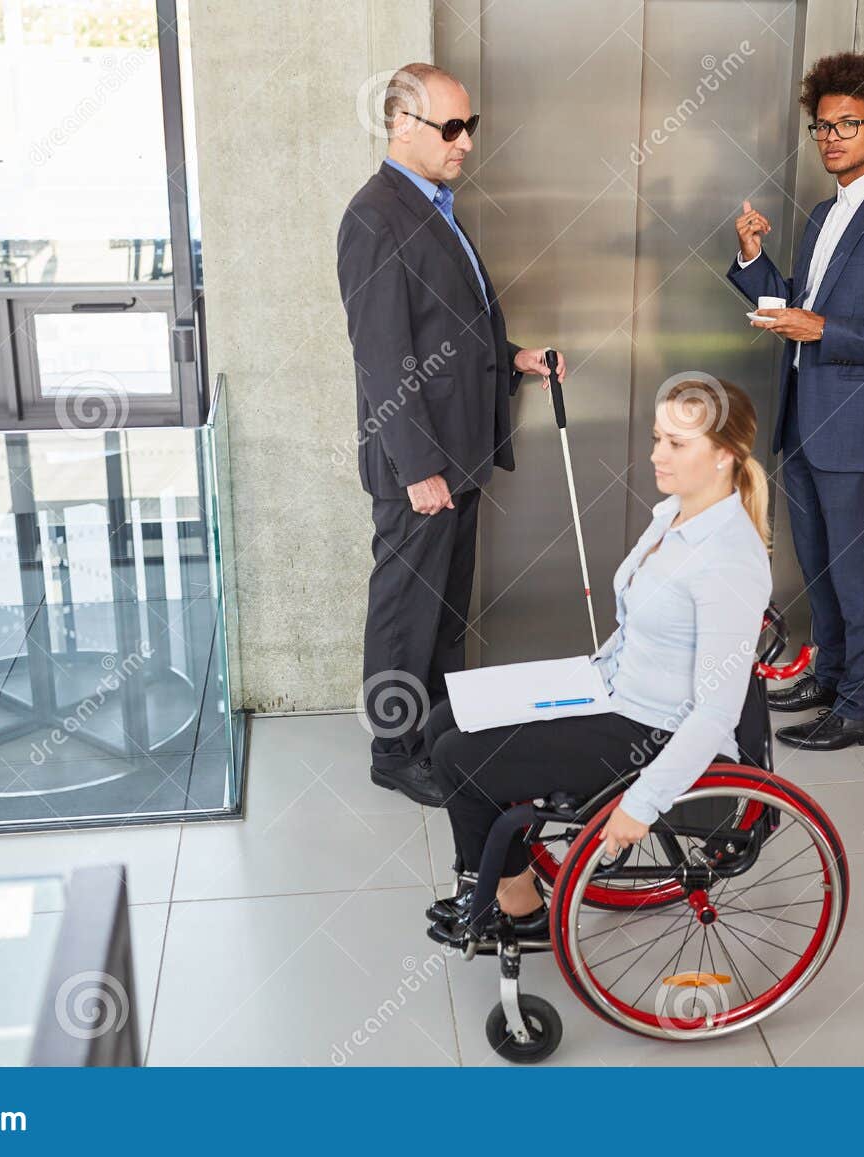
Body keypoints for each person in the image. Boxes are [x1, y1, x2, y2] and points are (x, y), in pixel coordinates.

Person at [421, 378, 773, 941]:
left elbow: (715, 713)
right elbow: (637, 623)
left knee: (459, 758)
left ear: (725, 454)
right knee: (445, 719)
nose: (657, 454)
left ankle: (517, 905)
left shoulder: (728, 559)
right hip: (608, 683)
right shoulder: (674, 516)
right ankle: (497, 871)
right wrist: (565, 684)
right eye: (658, 438)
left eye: (677, 444)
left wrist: (642, 803)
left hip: (650, 726)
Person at [337, 63, 564, 807]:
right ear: (402, 123)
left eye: (471, 126)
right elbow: (384, 354)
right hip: (422, 466)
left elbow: (453, 332)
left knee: (442, 612)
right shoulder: (375, 215)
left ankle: (438, 735)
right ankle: (392, 750)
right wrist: (419, 466)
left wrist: (514, 359)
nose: (466, 142)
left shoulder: (433, 205)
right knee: (405, 611)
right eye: (451, 127)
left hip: (456, 459)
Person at [728, 52, 864, 752]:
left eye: (848, 124)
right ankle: (832, 677)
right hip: (805, 417)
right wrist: (757, 264)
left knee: (856, 569)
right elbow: (803, 302)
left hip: (854, 428)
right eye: (822, 126)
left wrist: (819, 329)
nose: (832, 137)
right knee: (819, 564)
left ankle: (863, 707)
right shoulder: (824, 214)